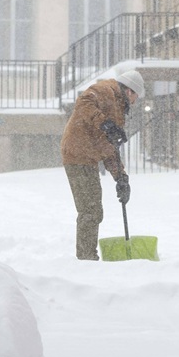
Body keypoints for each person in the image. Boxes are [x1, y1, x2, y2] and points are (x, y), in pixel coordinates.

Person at [60, 69, 146, 260]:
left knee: (92, 210)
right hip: (78, 154)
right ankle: (86, 258)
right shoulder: (107, 90)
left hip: (87, 156)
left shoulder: (116, 106)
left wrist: (121, 177)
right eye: (136, 97)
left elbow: (109, 147)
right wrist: (106, 124)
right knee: (90, 210)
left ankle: (86, 255)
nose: (134, 102)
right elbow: (83, 103)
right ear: (130, 91)